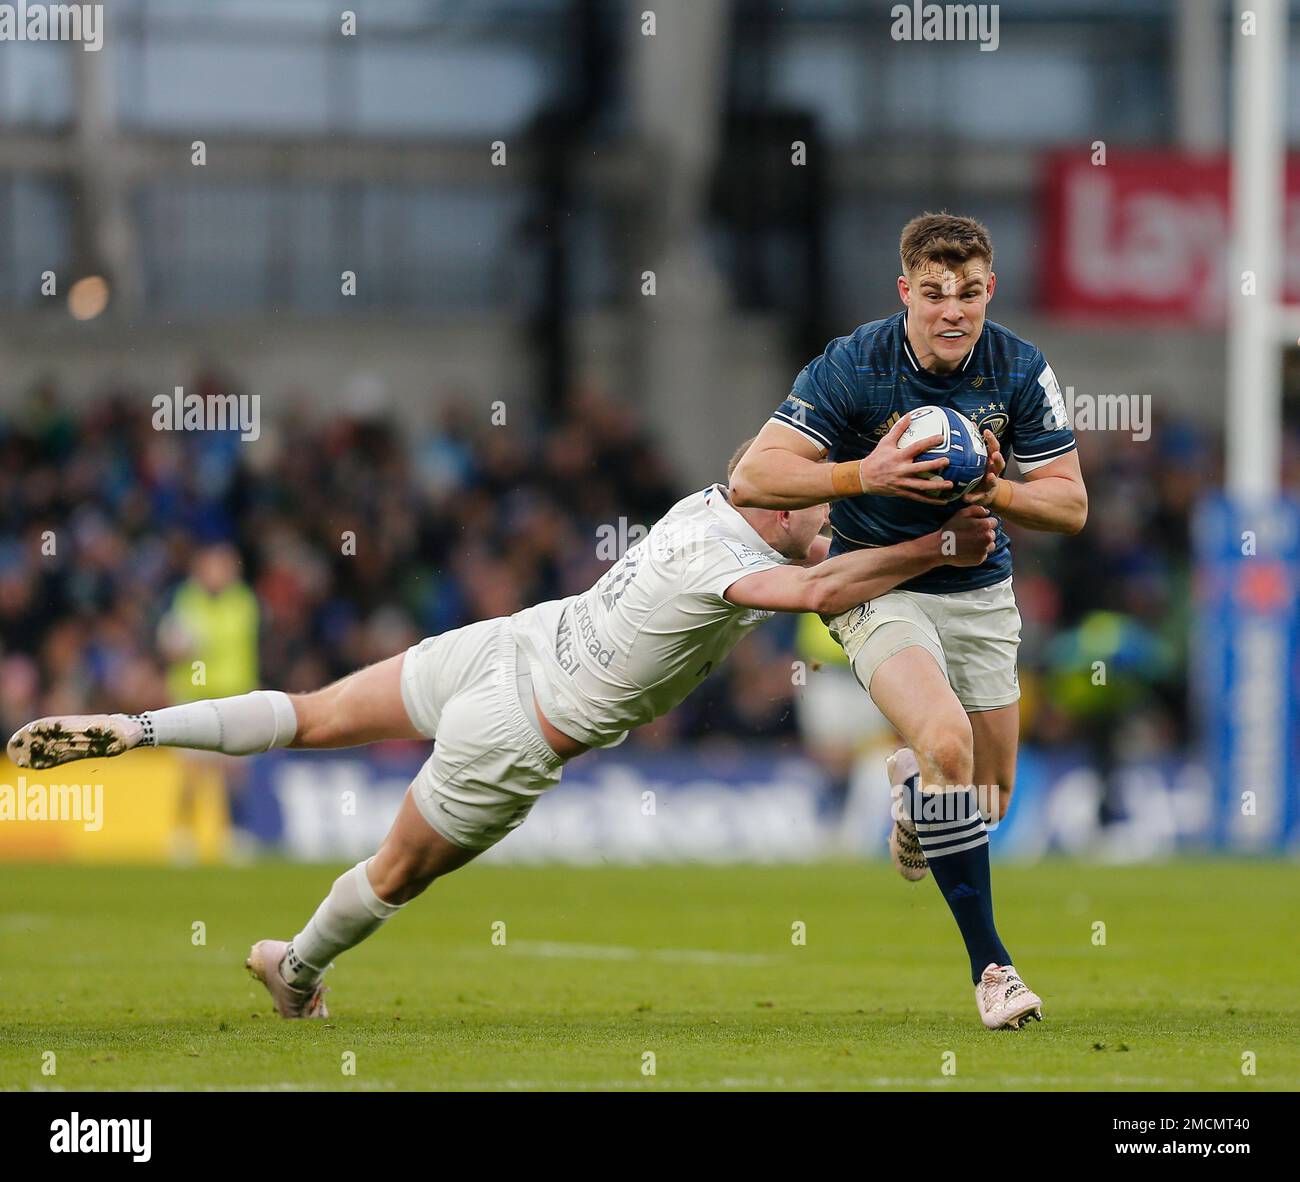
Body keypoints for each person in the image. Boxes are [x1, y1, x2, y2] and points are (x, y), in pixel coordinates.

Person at [8, 440, 1001, 1024]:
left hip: (509, 643)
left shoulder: (711, 501)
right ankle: (294, 968)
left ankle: (141, 725)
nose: (825, 527)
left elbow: (803, 501)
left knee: (310, 718)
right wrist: (937, 544)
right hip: (518, 726)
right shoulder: (734, 563)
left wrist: (878, 480)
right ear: (782, 517)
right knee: (398, 873)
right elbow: (823, 585)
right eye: (815, 513)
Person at [730, 212, 1088, 1029]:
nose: (952, 310)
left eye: (968, 292)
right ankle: (993, 971)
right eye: (933, 293)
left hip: (980, 588)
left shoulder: (1021, 369)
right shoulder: (853, 364)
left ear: (989, 290)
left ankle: (917, 799)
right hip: (879, 585)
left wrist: (994, 493)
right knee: (947, 739)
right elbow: (754, 477)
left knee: (988, 796)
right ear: (906, 294)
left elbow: (1069, 506)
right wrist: (869, 472)